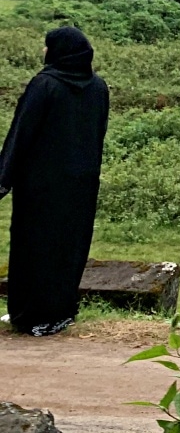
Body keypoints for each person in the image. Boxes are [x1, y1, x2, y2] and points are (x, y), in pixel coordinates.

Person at [0, 27, 109, 336]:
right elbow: (97, 134)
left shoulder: (44, 85)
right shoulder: (98, 88)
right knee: (68, 247)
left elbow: (21, 134)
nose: (44, 52)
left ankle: (29, 316)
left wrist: (3, 177)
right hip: (80, 185)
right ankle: (59, 312)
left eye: (47, 47)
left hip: (40, 186)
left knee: (33, 246)